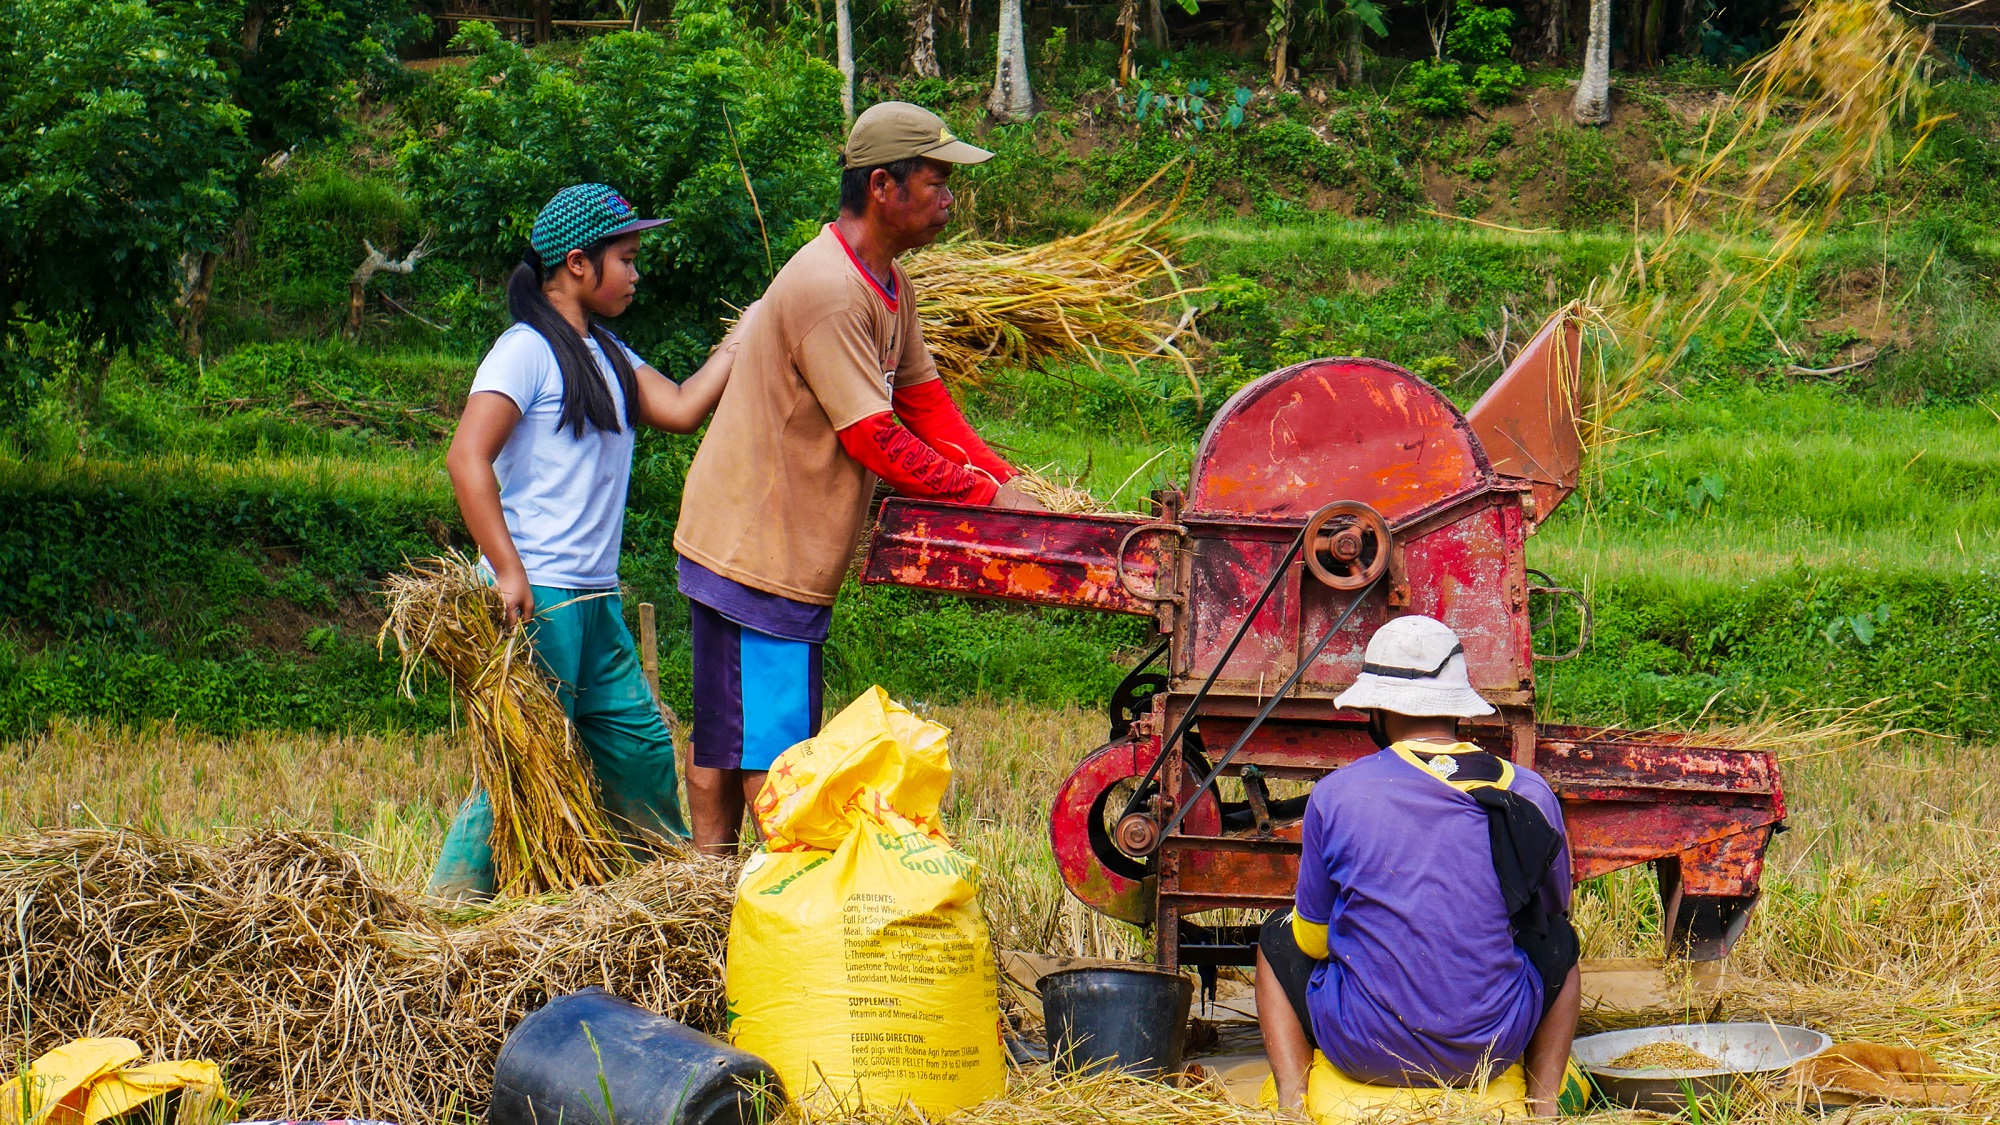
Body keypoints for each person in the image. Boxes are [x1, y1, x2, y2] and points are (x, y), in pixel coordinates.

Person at [673, 102, 1044, 854]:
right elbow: (875, 436)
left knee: (730, 737)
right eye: (937, 183)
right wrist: (982, 497)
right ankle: (745, 909)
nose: (949, 200)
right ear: (883, 186)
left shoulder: (887, 284)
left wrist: (1005, 479)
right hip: (757, 550)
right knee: (770, 760)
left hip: (774, 548)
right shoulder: (829, 289)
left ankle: (716, 908)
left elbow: (925, 403)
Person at [427, 183, 753, 900]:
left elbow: (680, 406)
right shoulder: (525, 351)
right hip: (535, 597)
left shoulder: (605, 349)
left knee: (637, 750)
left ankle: (664, 909)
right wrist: (507, 571)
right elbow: (466, 457)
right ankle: (443, 924)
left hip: (595, 599)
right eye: (626, 259)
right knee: (521, 771)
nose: (636, 274)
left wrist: (749, 333)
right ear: (578, 263)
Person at [1257, 614, 1582, 1118]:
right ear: (1458, 709)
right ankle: (1543, 1107)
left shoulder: (1336, 794)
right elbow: (1551, 909)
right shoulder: (1528, 790)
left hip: (1364, 1049)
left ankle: (1292, 1106)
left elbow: (1313, 940)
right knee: (1562, 941)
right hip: (1489, 1051)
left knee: (1276, 936)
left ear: (1378, 709)